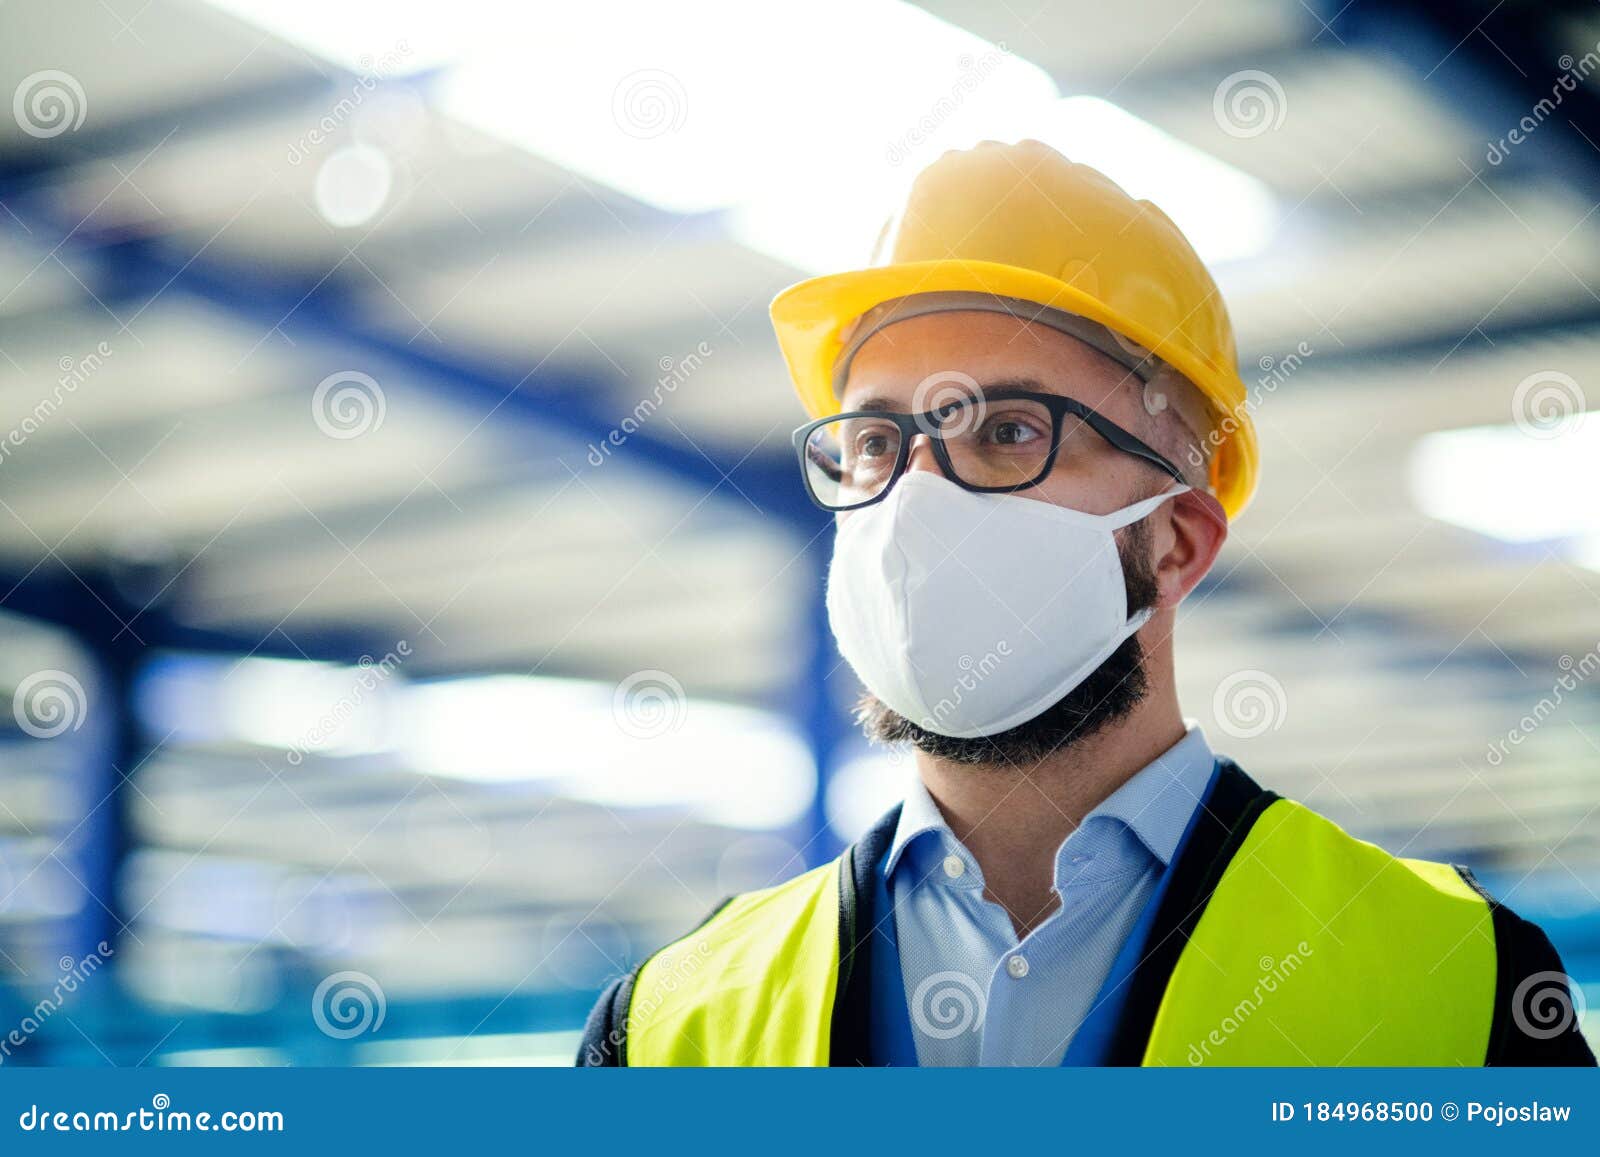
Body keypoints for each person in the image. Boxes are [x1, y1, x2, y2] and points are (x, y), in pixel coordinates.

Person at [578, 139, 1596, 1067]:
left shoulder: (1459, 986)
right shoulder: (665, 1027)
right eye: (877, 444)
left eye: (1010, 432)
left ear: (1177, 539)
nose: (918, 500)